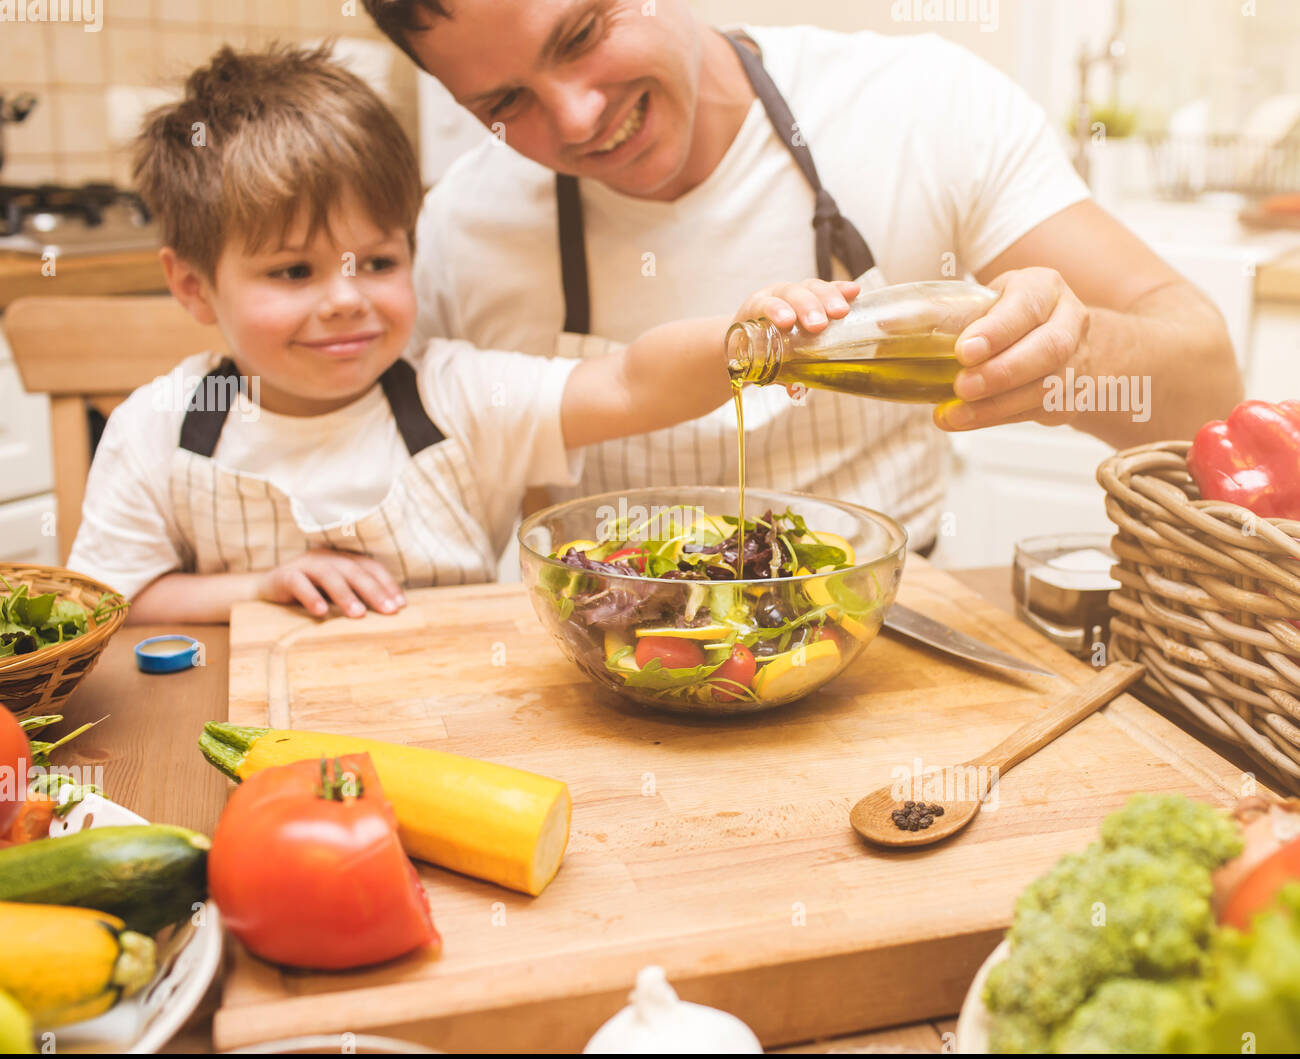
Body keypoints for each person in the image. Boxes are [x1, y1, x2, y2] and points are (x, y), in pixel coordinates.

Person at [364, 1, 1242, 553]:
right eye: (504, 104)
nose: (580, 117)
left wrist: (1070, 355)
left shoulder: (923, 109)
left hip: (903, 654)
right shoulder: (457, 234)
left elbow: (1208, 399)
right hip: (638, 676)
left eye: (585, 32)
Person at [64, 44, 855, 625]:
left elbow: (626, 383)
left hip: (461, 714)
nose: (346, 300)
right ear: (193, 285)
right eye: (293, 274)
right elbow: (119, 601)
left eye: (376, 261)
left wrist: (744, 336)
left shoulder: (458, 394)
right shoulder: (154, 429)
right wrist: (261, 586)